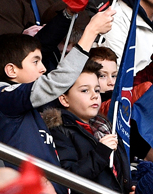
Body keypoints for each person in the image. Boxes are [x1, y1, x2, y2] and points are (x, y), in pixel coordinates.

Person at [0, 9, 114, 184]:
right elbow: (56, 82)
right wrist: (91, 31)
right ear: (11, 70)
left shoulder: (30, 108)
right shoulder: (1, 98)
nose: (43, 68)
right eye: (35, 61)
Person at [49, 61, 128, 191]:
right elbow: (68, 178)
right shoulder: (59, 131)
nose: (94, 96)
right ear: (64, 99)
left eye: (97, 90)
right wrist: (101, 153)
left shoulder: (105, 126)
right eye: (85, 90)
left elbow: (118, 173)